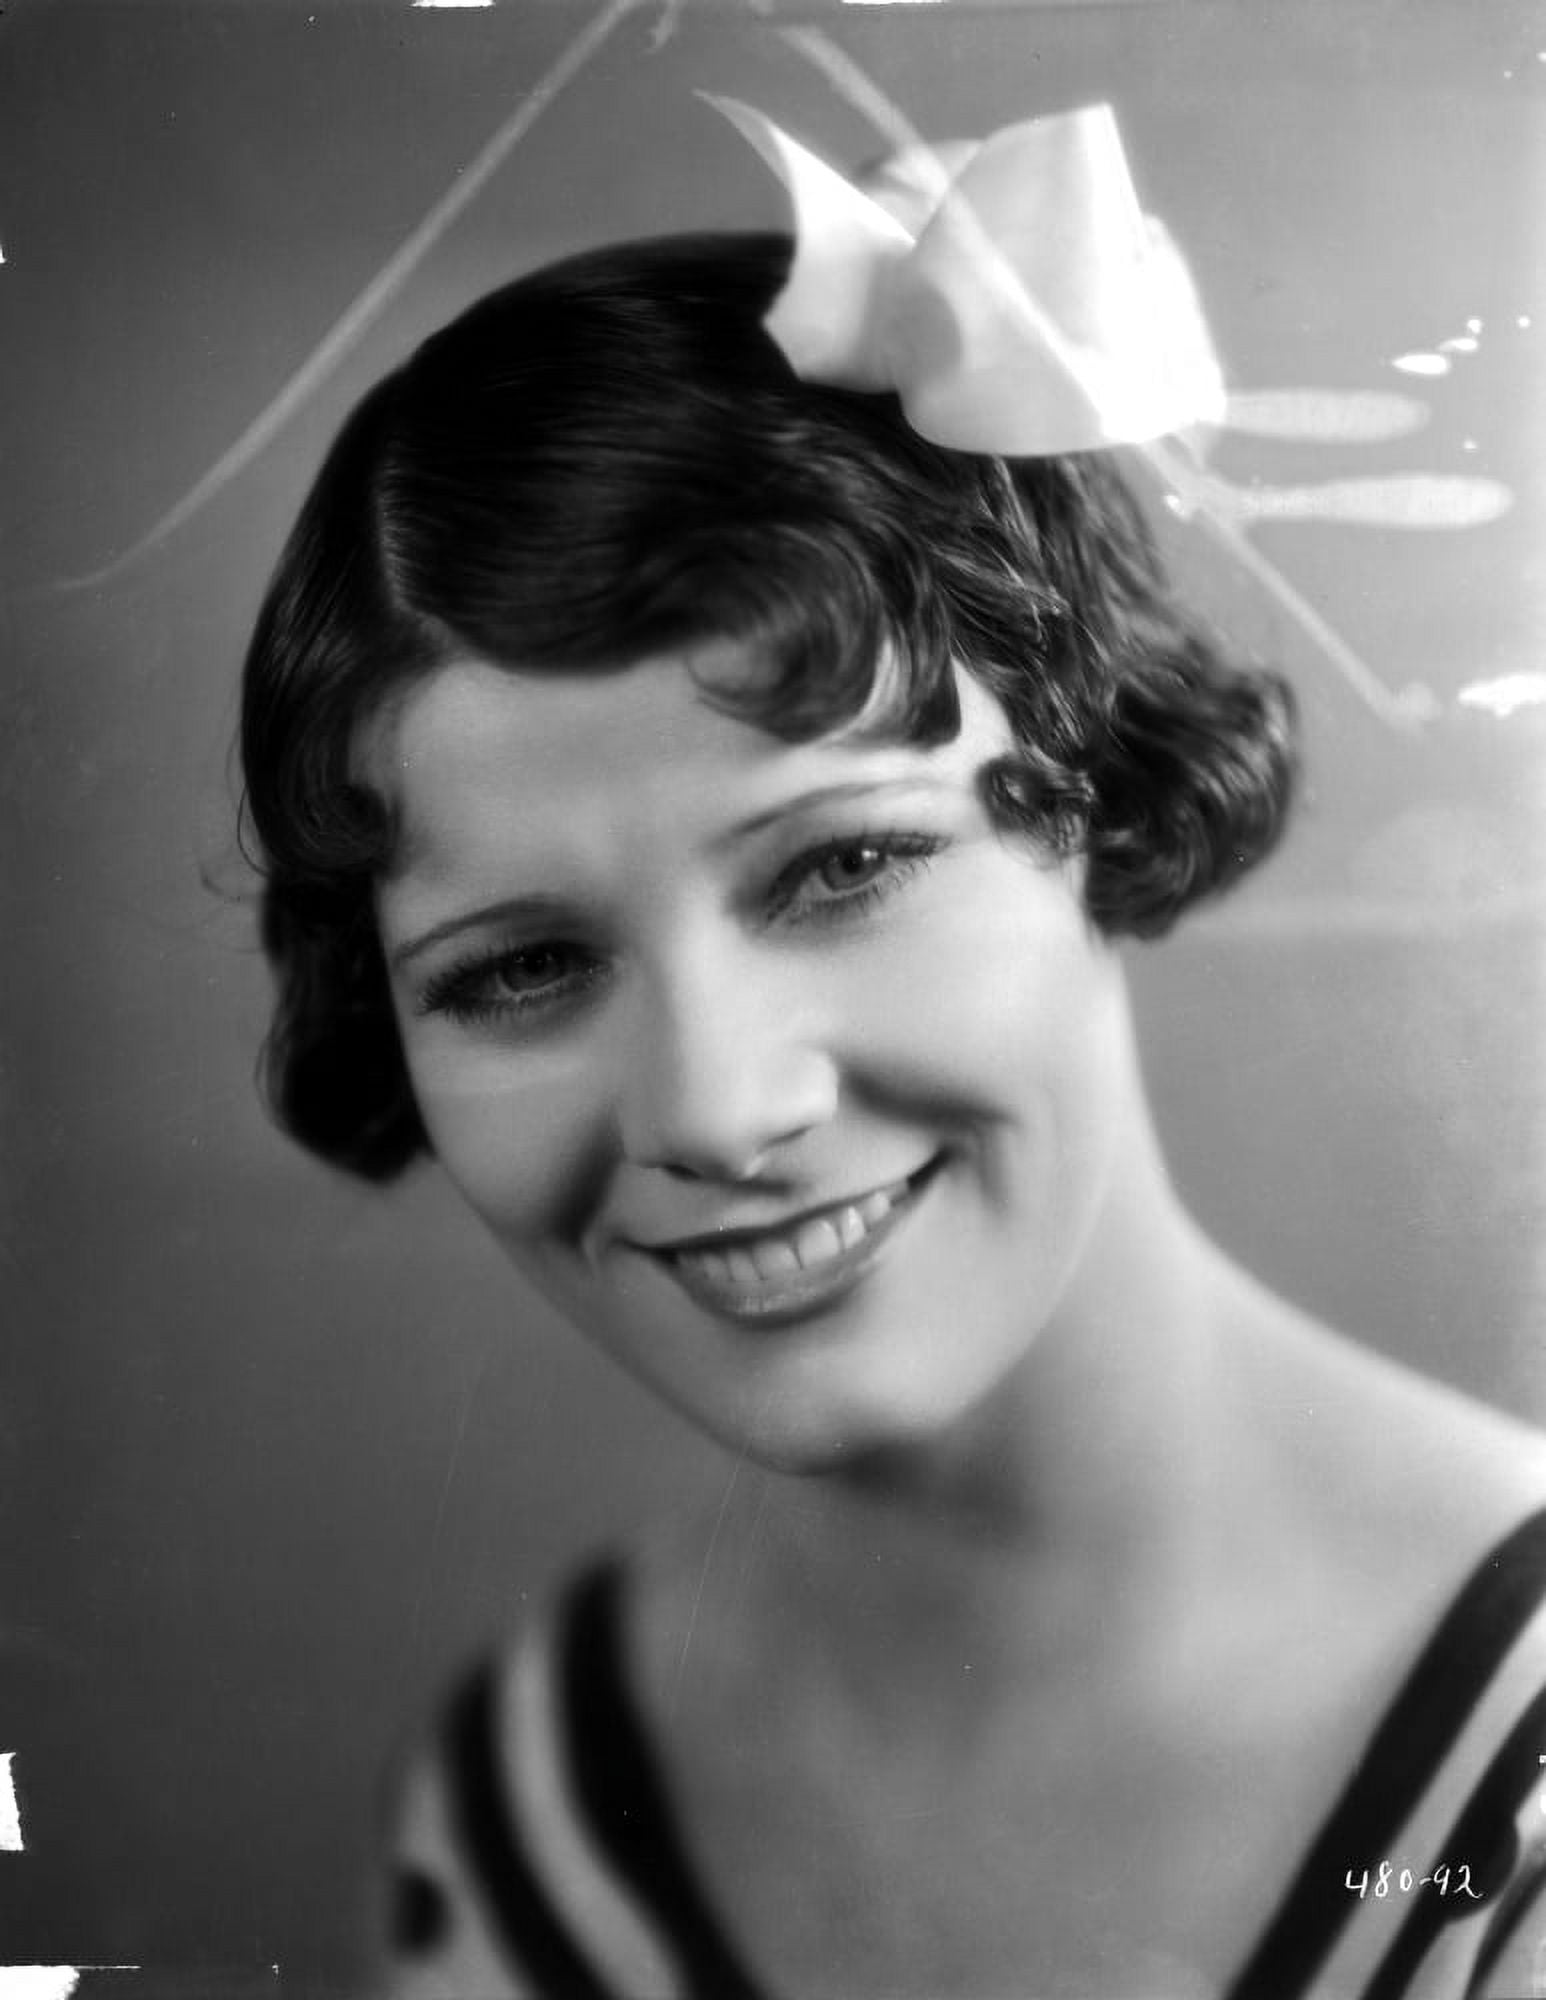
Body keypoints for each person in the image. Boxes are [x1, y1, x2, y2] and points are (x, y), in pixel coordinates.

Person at [239, 104, 1546, 2000]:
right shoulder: (538, 1803)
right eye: (520, 970)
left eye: (844, 866)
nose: (716, 1106)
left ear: (1101, 797)